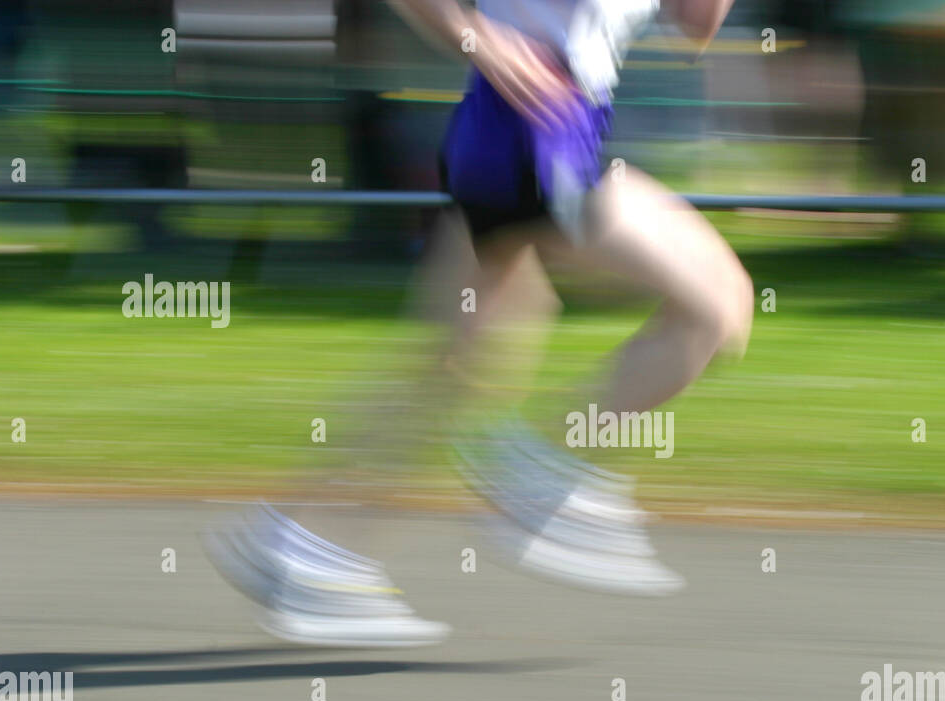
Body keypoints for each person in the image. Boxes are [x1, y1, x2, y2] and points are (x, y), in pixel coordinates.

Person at [205, 0, 752, 646]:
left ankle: (302, 547)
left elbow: (694, 25)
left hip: (544, 123)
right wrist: (481, 39)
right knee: (717, 305)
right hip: (531, 127)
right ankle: (541, 478)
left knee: (460, 359)